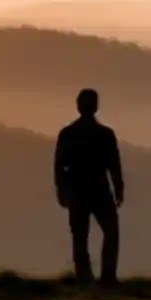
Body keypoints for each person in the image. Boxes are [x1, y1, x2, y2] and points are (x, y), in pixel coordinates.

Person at [54, 88, 124, 285]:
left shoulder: (68, 134)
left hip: (78, 190)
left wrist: (61, 188)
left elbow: (59, 165)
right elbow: (114, 165)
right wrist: (118, 189)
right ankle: (107, 276)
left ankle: (85, 277)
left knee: (80, 236)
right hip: (99, 189)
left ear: (78, 106)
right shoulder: (105, 134)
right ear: (96, 107)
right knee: (110, 231)